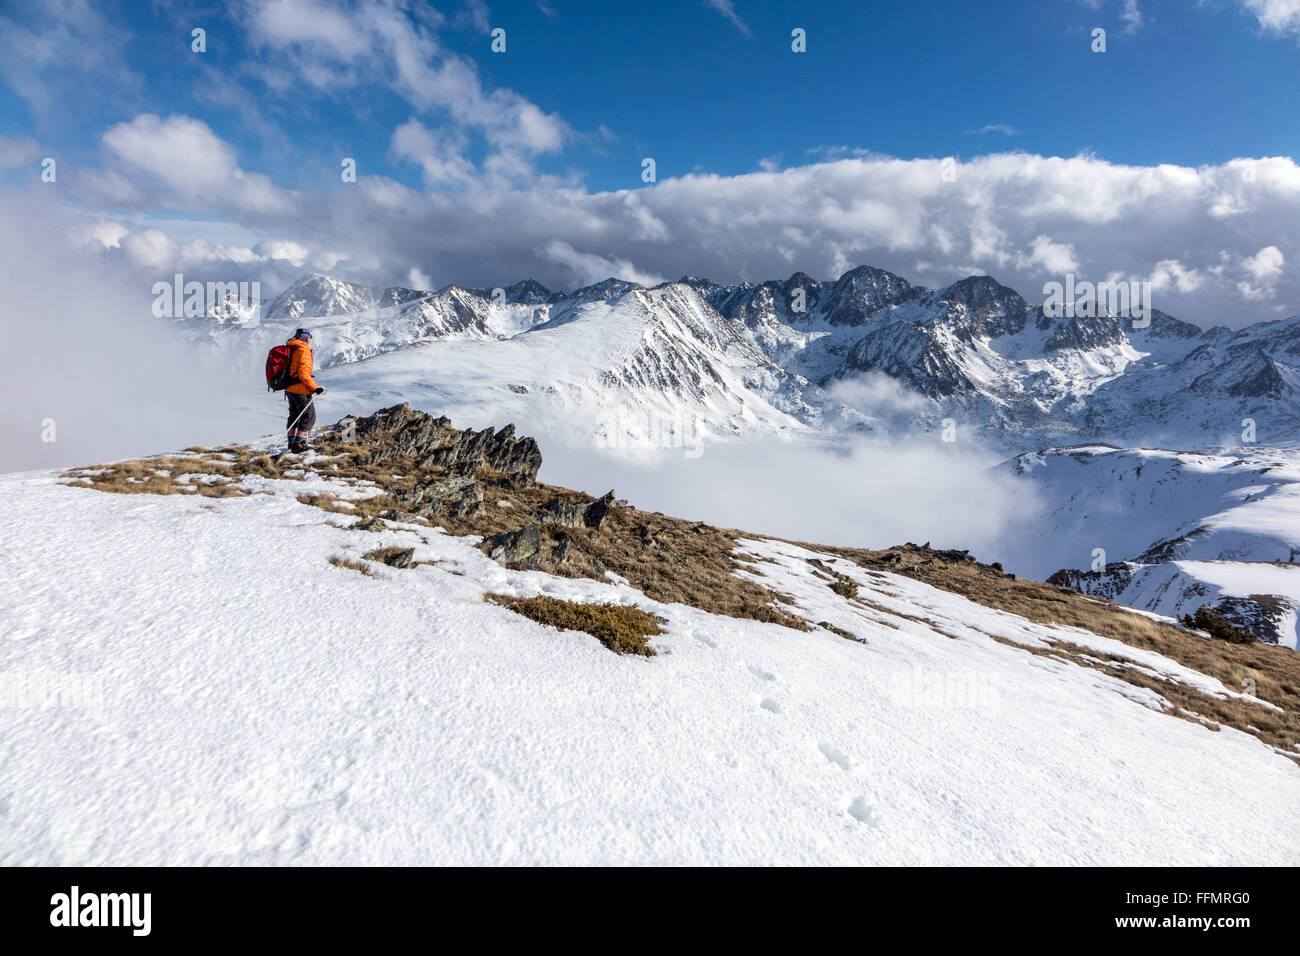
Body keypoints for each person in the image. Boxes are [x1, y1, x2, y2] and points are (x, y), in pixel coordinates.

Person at [285, 328, 325, 453]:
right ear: (305, 337)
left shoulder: (292, 347)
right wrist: (315, 388)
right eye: (310, 336)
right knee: (308, 416)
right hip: (300, 389)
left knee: (294, 416)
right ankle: (298, 443)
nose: (311, 338)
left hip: (289, 387)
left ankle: (291, 443)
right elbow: (303, 374)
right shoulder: (303, 349)